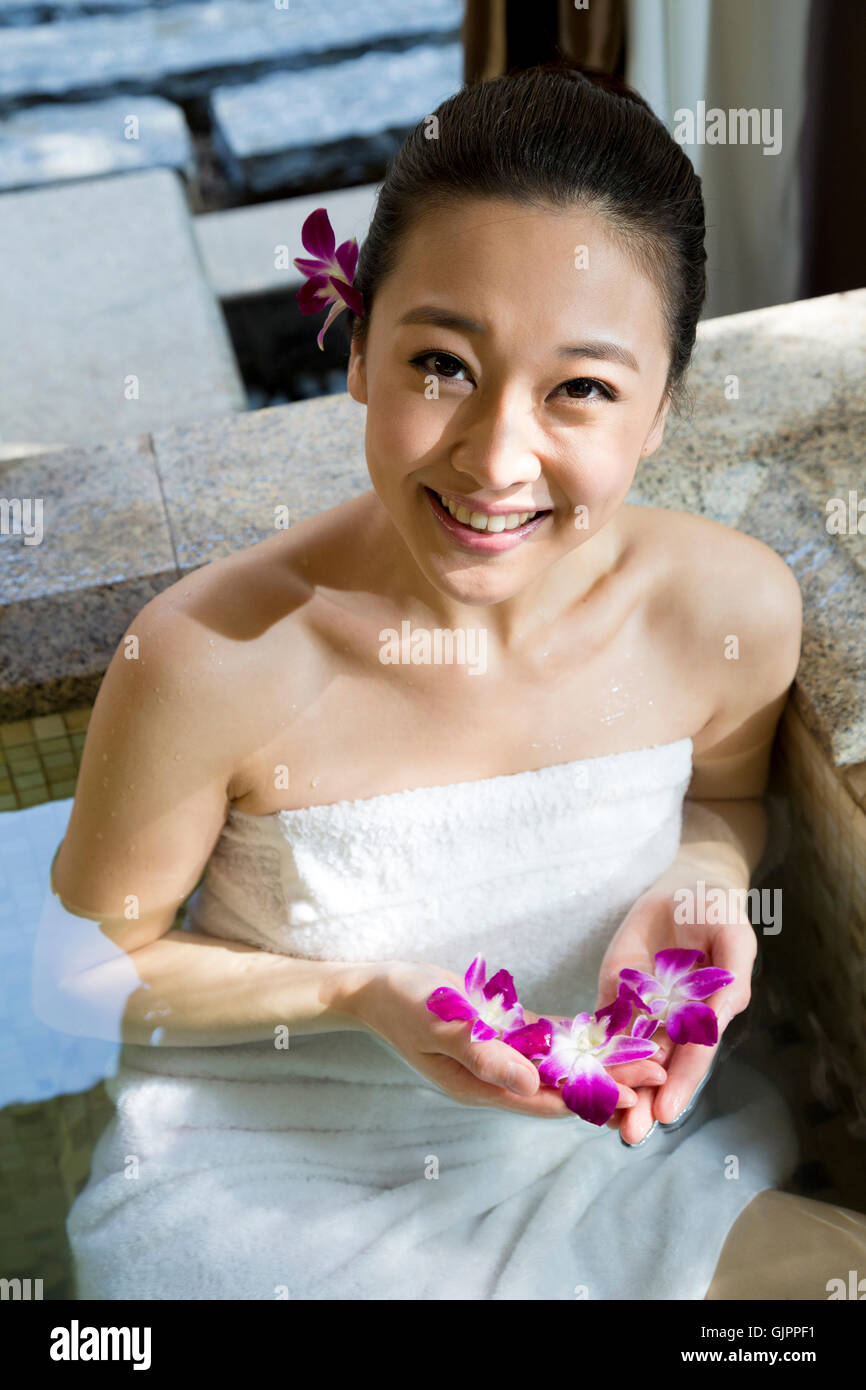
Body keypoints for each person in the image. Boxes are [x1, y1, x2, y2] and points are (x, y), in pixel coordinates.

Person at [40, 63, 866, 1300]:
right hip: (280, 1191)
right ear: (358, 348)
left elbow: (729, 804)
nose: (496, 458)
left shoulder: (725, 609)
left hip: (614, 1155)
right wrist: (361, 994)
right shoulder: (215, 656)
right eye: (442, 363)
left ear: (659, 412)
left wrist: (700, 886)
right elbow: (83, 974)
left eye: (580, 387)